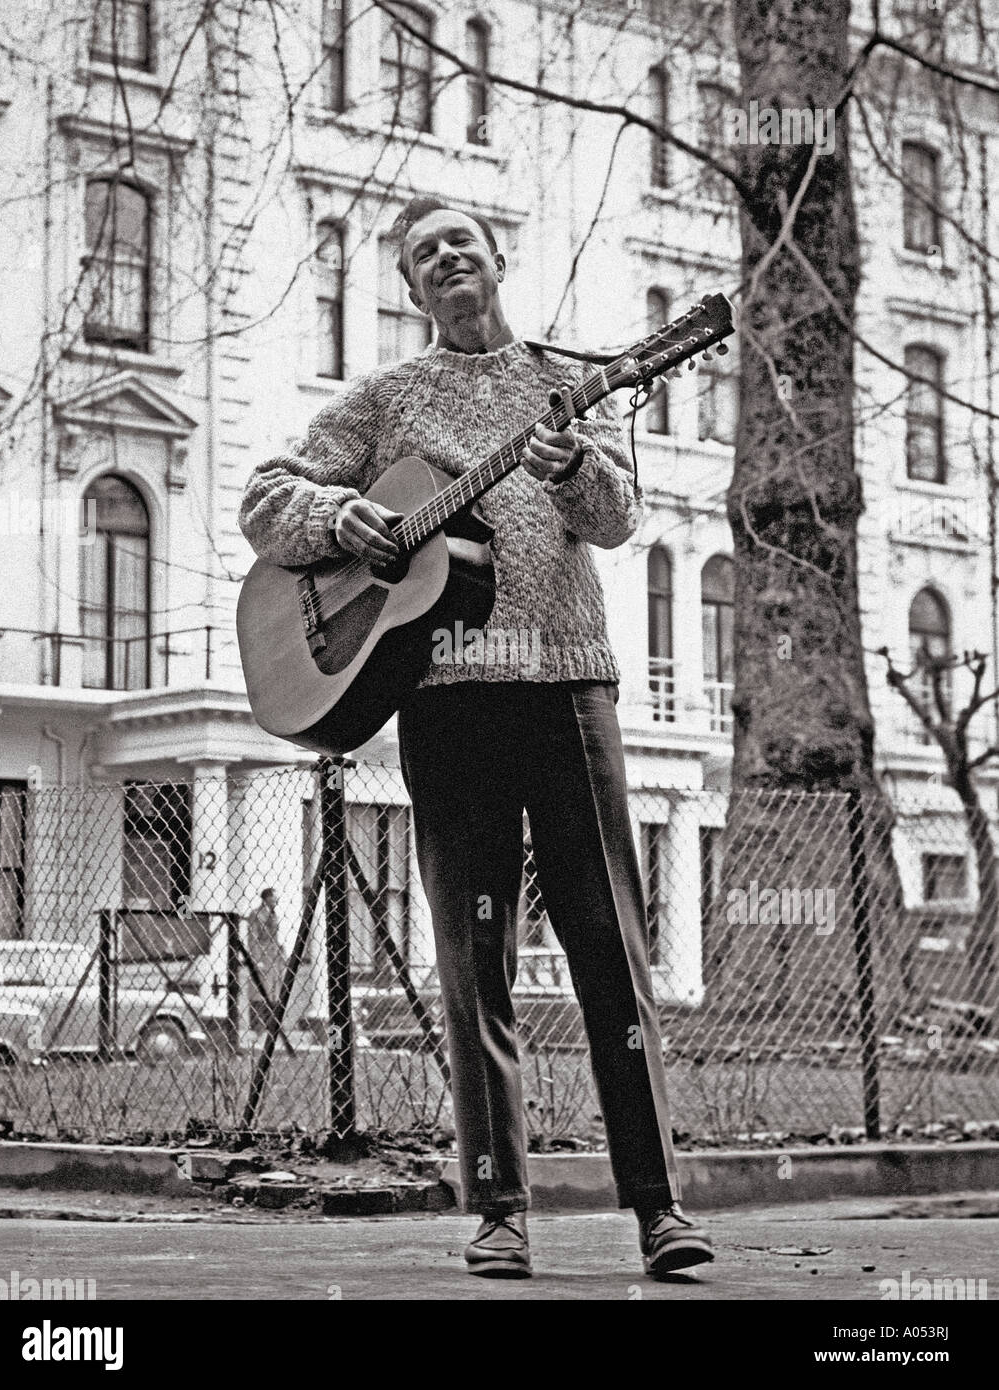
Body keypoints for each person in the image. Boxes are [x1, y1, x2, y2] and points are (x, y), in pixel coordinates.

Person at [238, 196, 713, 1280]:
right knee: (472, 960)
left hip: (566, 690)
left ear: (497, 260)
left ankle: (657, 1209)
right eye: (422, 254)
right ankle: (497, 1210)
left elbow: (616, 517)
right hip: (447, 704)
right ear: (410, 289)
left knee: (611, 956)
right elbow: (267, 499)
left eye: (461, 241)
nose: (445, 258)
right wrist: (336, 520)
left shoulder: (566, 380)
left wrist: (567, 465)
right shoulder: (387, 400)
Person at [246, 887, 284, 1034]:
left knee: (273, 992)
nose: (276, 901)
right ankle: (257, 1026)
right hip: (262, 957)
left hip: (273, 959)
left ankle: (271, 1025)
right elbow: (253, 938)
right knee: (259, 991)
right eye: (273, 898)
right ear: (266, 899)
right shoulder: (256, 914)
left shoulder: (274, 915)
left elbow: (276, 938)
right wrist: (256, 959)